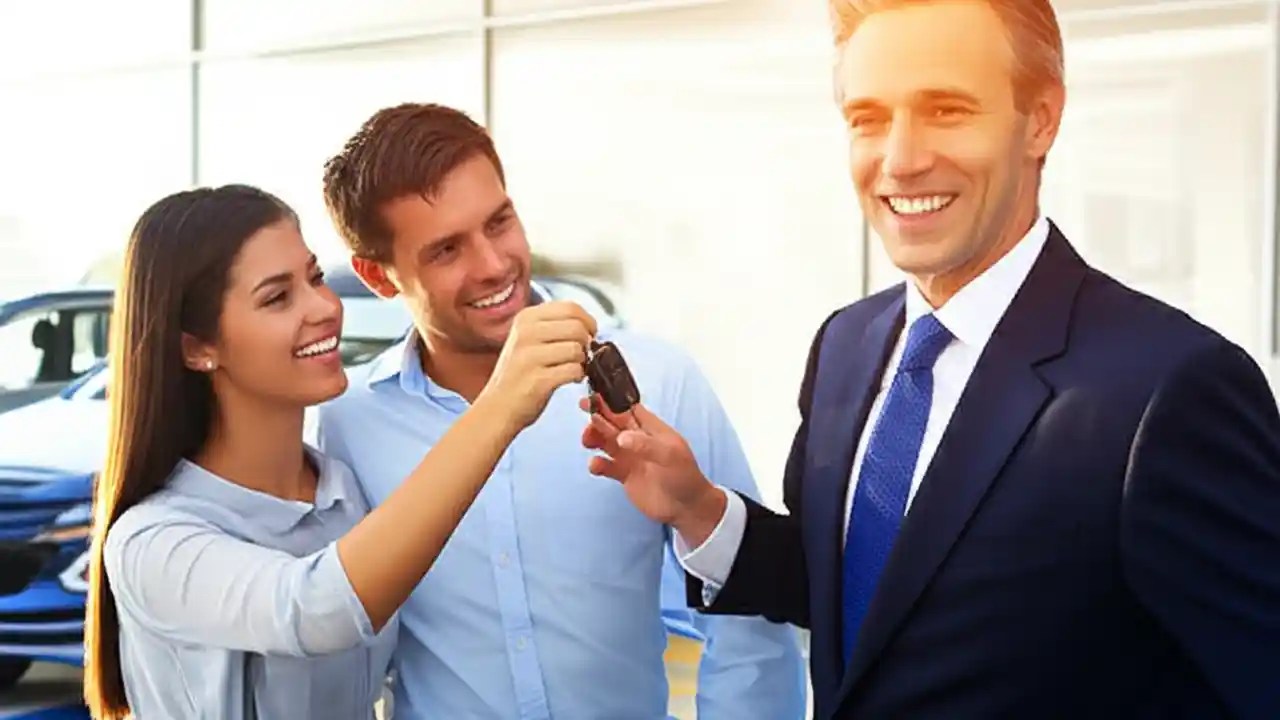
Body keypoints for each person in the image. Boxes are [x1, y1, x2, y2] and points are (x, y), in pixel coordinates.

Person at [582, 1, 1280, 718]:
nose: (901, 159)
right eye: (868, 118)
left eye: (945, 110)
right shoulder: (845, 347)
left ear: (1039, 118)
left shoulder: (1170, 389)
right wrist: (700, 509)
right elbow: (867, 599)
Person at [314, 103, 806, 719]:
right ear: (378, 277)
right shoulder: (344, 426)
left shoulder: (656, 380)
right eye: (446, 251)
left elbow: (747, 631)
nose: (493, 264)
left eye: (499, 222)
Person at [82, 184, 597, 720]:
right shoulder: (152, 541)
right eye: (277, 298)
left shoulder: (344, 491)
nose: (324, 308)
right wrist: (499, 408)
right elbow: (313, 609)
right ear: (197, 348)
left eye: (315, 278)